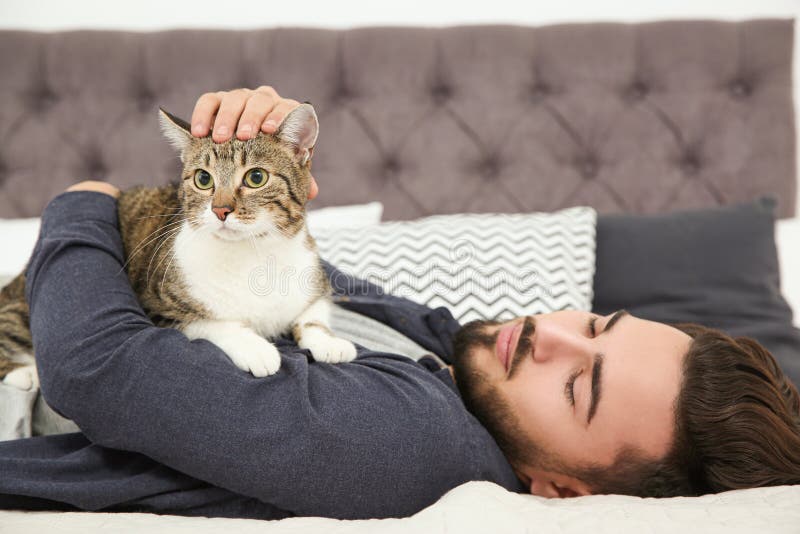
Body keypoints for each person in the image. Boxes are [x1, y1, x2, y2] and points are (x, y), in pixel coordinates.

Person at [0, 86, 798, 520]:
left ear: (566, 493)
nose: (549, 336)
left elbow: (97, 365)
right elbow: (319, 289)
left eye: (578, 386)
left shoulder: (413, 449)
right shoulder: (454, 360)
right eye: (593, 322)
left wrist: (83, 199)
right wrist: (267, 188)